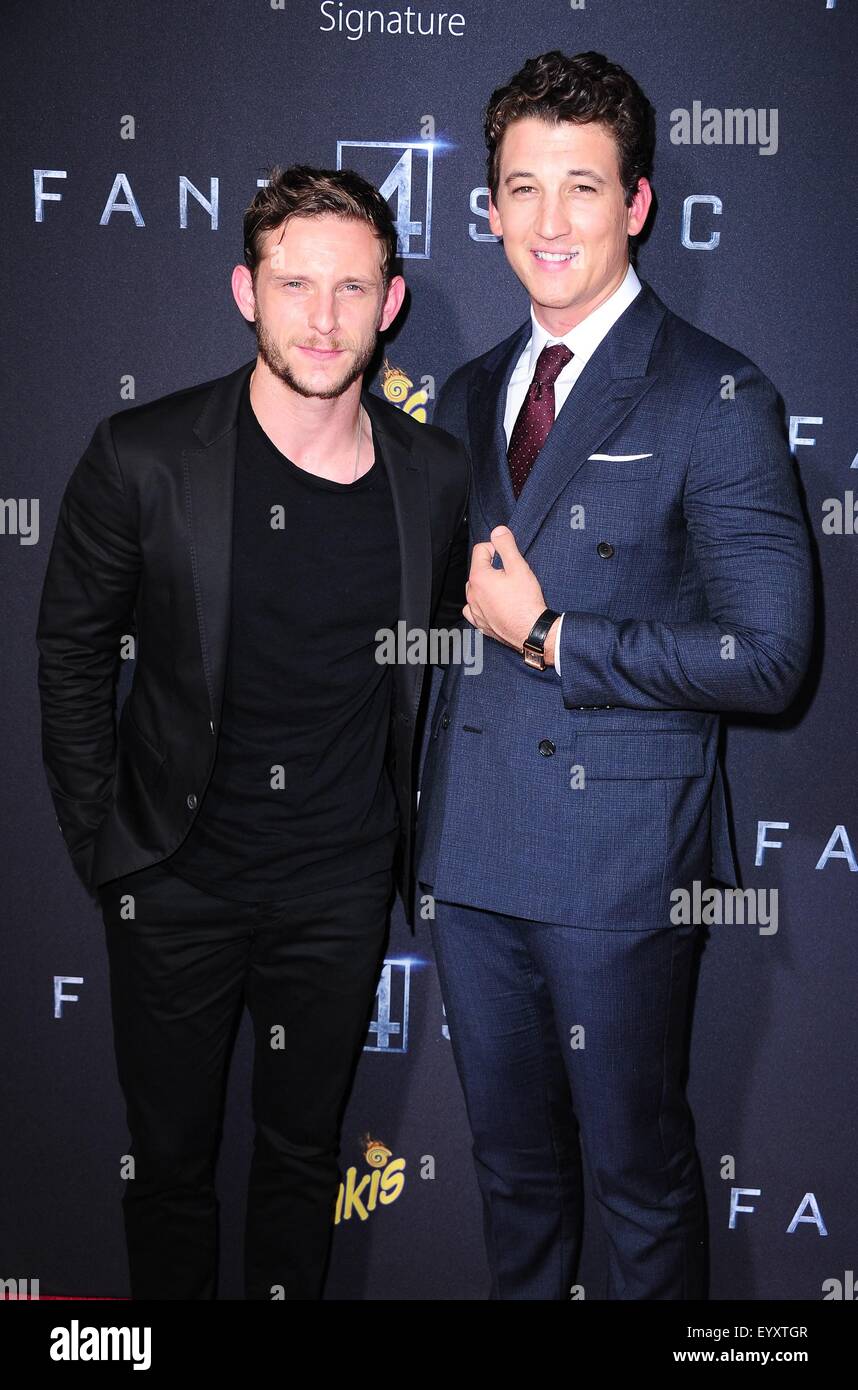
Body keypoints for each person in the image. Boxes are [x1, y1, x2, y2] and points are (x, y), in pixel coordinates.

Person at [416, 51, 813, 1300]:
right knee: (511, 1178)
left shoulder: (718, 391)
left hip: (623, 866)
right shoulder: (465, 395)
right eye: (520, 188)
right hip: (470, 860)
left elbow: (772, 657)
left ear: (636, 203)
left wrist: (552, 635)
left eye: (580, 188)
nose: (547, 222)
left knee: (638, 1184)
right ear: (487, 207)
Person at [36, 163, 469, 1300]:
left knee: (302, 1161)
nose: (322, 319)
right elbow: (72, 651)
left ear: (392, 303)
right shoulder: (145, 457)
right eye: (294, 285)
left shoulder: (433, 478)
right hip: (176, 882)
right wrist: (106, 844)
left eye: (350, 287)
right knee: (170, 1171)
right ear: (246, 291)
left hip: (334, 889)